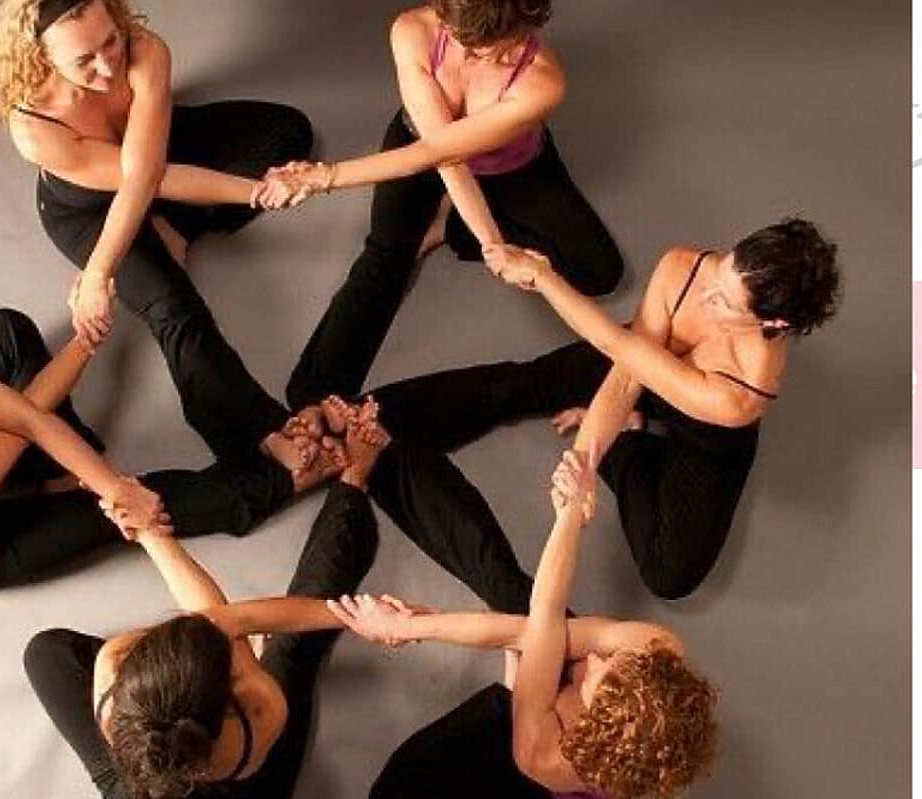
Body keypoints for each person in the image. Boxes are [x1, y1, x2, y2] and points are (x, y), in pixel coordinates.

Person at [294, 218, 840, 598]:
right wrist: (583, 456)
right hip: (635, 360)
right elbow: (627, 370)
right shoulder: (687, 267)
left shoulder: (741, 394)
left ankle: (633, 443)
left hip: (703, 430)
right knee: (524, 383)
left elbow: (620, 352)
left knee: (670, 572)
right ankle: (370, 416)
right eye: (719, 273)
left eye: (724, 302)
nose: (707, 295)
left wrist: (597, 454)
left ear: (775, 325)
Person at [0, 308, 341, 592]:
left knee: (4, 331)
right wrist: (117, 490)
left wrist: (83, 342)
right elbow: (24, 420)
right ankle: (274, 483)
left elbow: (21, 413)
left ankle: (64, 468)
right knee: (123, 511)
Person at [265, 0, 622, 410]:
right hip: (421, 152)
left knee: (599, 272)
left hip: (511, 170)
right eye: (468, 43)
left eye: (503, 44)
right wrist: (491, 241)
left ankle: (446, 227)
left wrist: (321, 176)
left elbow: (443, 151)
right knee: (385, 255)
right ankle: (311, 397)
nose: (484, 55)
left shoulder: (542, 80)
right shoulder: (412, 30)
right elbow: (438, 154)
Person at [22, 415, 392, 799]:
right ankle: (353, 484)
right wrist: (364, 614)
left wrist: (148, 530)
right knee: (293, 651)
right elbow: (233, 621)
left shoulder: (113, 668)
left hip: (149, 764)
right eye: (241, 653)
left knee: (47, 653)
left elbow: (228, 619)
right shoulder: (258, 722)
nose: (245, 639)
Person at [330, 450, 718, 799]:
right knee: (502, 582)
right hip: (546, 712)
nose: (596, 660)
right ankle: (395, 459)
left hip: (509, 767)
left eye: (595, 681)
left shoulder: (544, 755)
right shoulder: (656, 646)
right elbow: (531, 626)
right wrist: (572, 512)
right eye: (613, 662)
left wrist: (403, 628)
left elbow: (534, 631)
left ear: (589, 723)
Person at [0, 0, 313, 351]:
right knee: (177, 312)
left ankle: (174, 226)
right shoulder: (32, 128)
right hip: (87, 207)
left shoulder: (146, 48)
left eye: (110, 41)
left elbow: (147, 172)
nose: (107, 68)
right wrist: (98, 274)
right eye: (84, 62)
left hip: (153, 157)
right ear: (42, 57)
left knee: (288, 131)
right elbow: (146, 177)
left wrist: (272, 188)